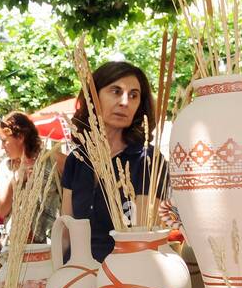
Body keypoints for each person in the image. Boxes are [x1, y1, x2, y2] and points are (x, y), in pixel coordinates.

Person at [60, 61, 168, 262]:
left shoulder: (147, 160)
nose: (125, 102)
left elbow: (144, 237)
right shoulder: (76, 160)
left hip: (122, 278)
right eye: (116, 91)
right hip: (74, 275)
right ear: (94, 96)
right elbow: (65, 234)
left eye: (134, 95)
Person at [0, 112, 63, 252]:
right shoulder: (6, 168)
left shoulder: (53, 159)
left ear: (20, 137)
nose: (2, 147)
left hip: (52, 246)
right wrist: (16, 180)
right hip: (17, 249)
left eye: (4, 141)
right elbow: (0, 210)